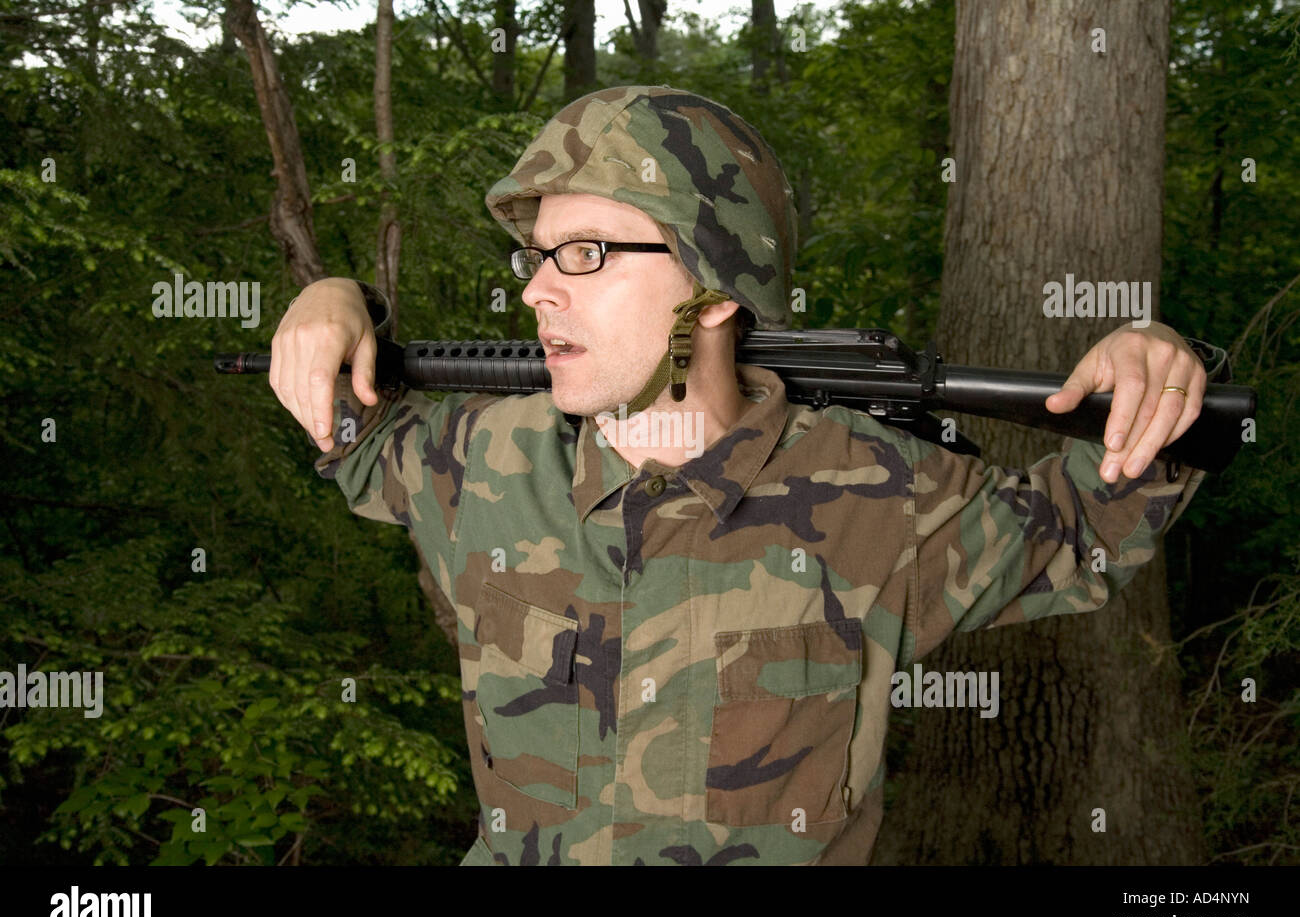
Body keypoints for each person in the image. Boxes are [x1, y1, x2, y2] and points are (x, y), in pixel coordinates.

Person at [269, 85, 1229, 866]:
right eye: (535, 256)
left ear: (715, 287)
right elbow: (349, 420)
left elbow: (1085, 527)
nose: (535, 290)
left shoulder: (875, 496)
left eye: (584, 255)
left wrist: (1156, 370)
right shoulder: (481, 462)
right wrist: (335, 299)